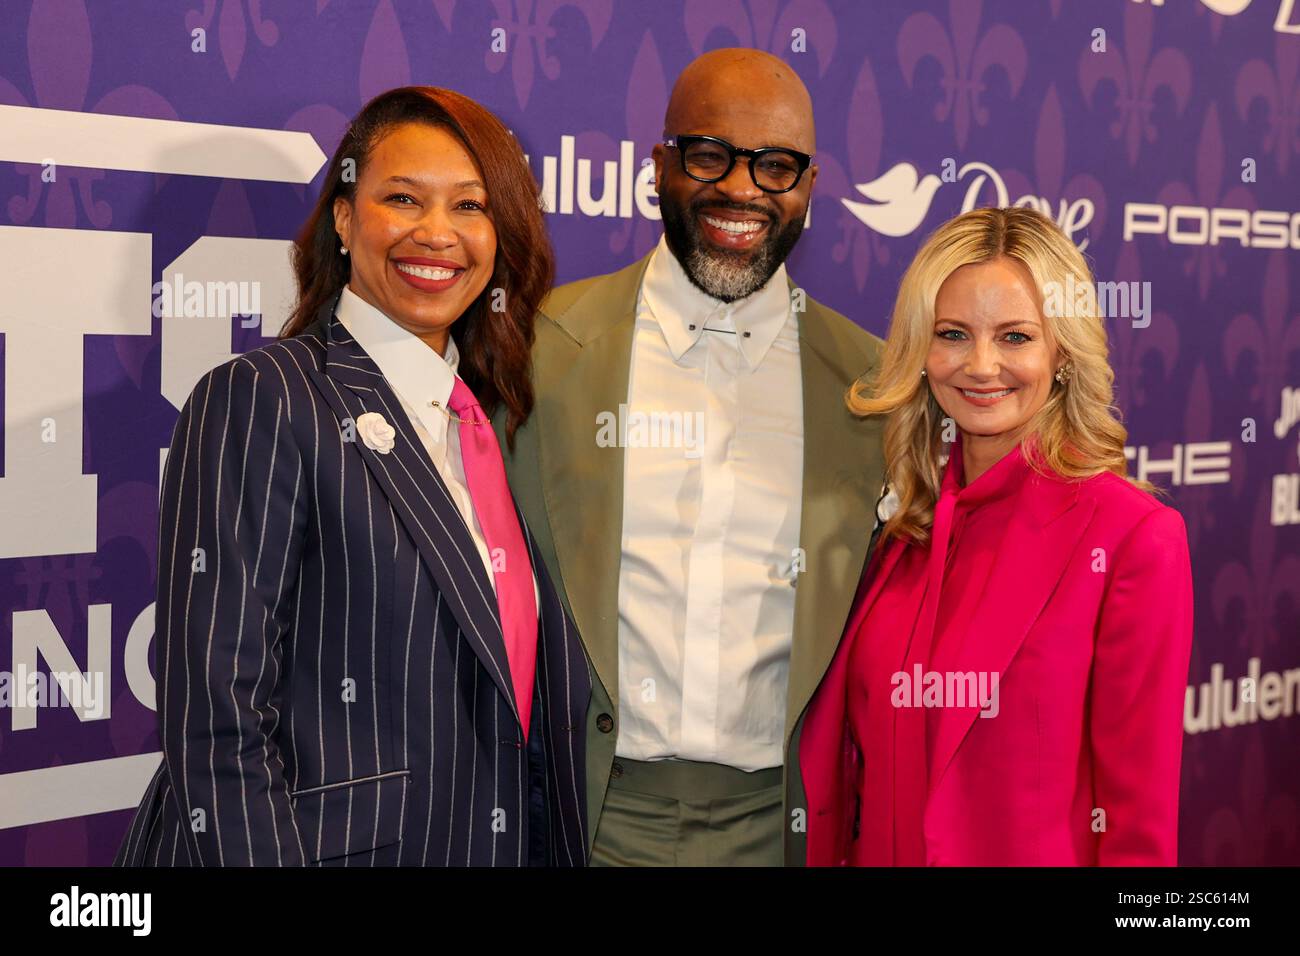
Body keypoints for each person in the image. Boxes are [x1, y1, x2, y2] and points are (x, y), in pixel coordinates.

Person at [115, 86, 589, 867]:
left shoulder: (488, 417)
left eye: (469, 207)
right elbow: (217, 720)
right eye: (402, 198)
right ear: (343, 216)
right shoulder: (263, 399)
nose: (437, 233)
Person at [497, 48, 886, 866]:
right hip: (585, 815)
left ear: (810, 188)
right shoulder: (540, 350)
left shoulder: (873, 388)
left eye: (776, 166)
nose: (742, 189)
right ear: (660, 165)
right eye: (710, 155)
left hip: (783, 825)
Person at [800, 206, 1194, 866]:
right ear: (921, 351)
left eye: (1015, 337)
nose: (982, 365)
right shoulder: (901, 533)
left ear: (1061, 352)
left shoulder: (1132, 539)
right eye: (953, 333)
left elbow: (1137, 828)